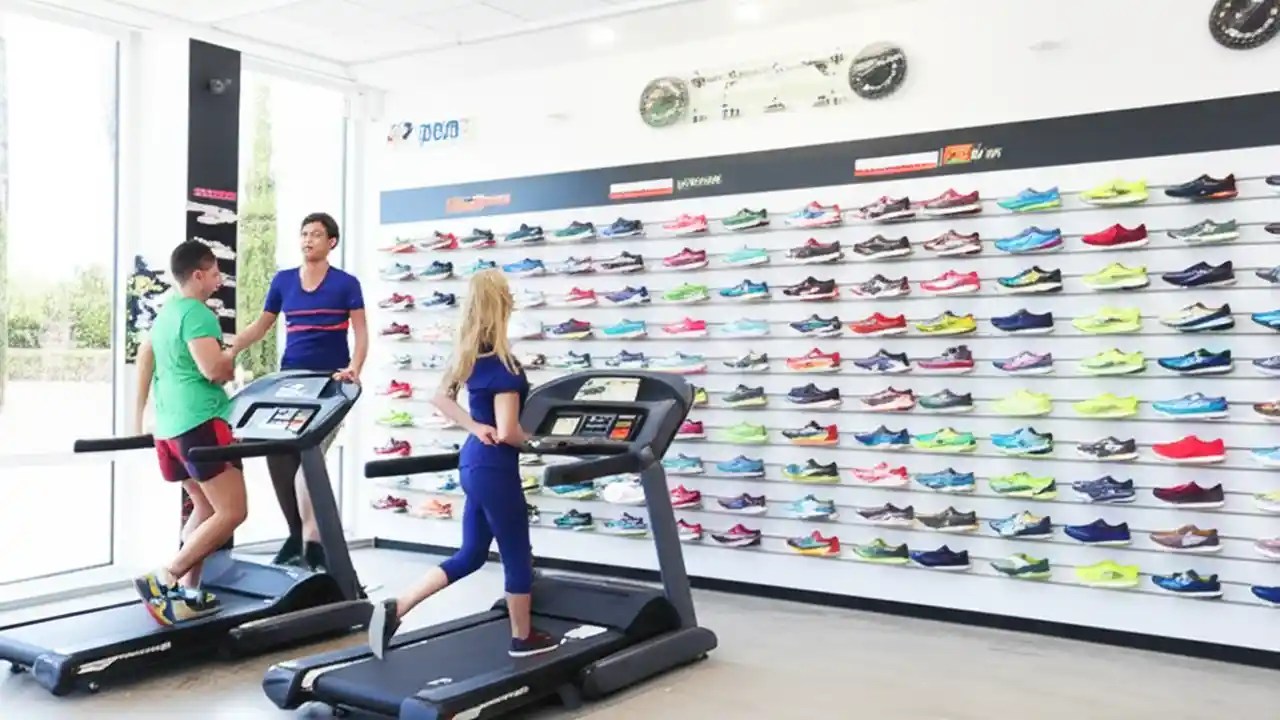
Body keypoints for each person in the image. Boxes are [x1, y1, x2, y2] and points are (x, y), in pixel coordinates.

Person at [367, 270, 558, 660]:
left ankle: (397, 607)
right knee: (517, 554)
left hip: (471, 462)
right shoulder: (506, 366)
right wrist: (547, 443)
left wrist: (474, 426)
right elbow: (507, 432)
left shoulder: (469, 358)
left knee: (471, 554)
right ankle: (523, 639)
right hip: (495, 468)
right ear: (501, 305)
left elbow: (440, 398)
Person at [231, 212, 368, 571]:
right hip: (291, 380)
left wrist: (355, 368)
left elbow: (362, 333)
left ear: (331, 242)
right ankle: (296, 536)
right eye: (304, 234)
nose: (308, 240)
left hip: (329, 384)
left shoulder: (346, 284)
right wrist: (231, 348)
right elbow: (261, 326)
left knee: (309, 459)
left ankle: (314, 544)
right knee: (278, 455)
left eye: (316, 235)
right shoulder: (283, 281)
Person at [132, 240, 247, 625]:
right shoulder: (197, 313)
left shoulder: (165, 316)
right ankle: (166, 576)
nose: (219, 280)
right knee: (233, 511)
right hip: (200, 424)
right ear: (197, 275)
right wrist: (230, 358)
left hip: (169, 429)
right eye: (214, 273)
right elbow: (213, 370)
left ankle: (190, 593)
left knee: (204, 507)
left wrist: (138, 419)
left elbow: (146, 364)